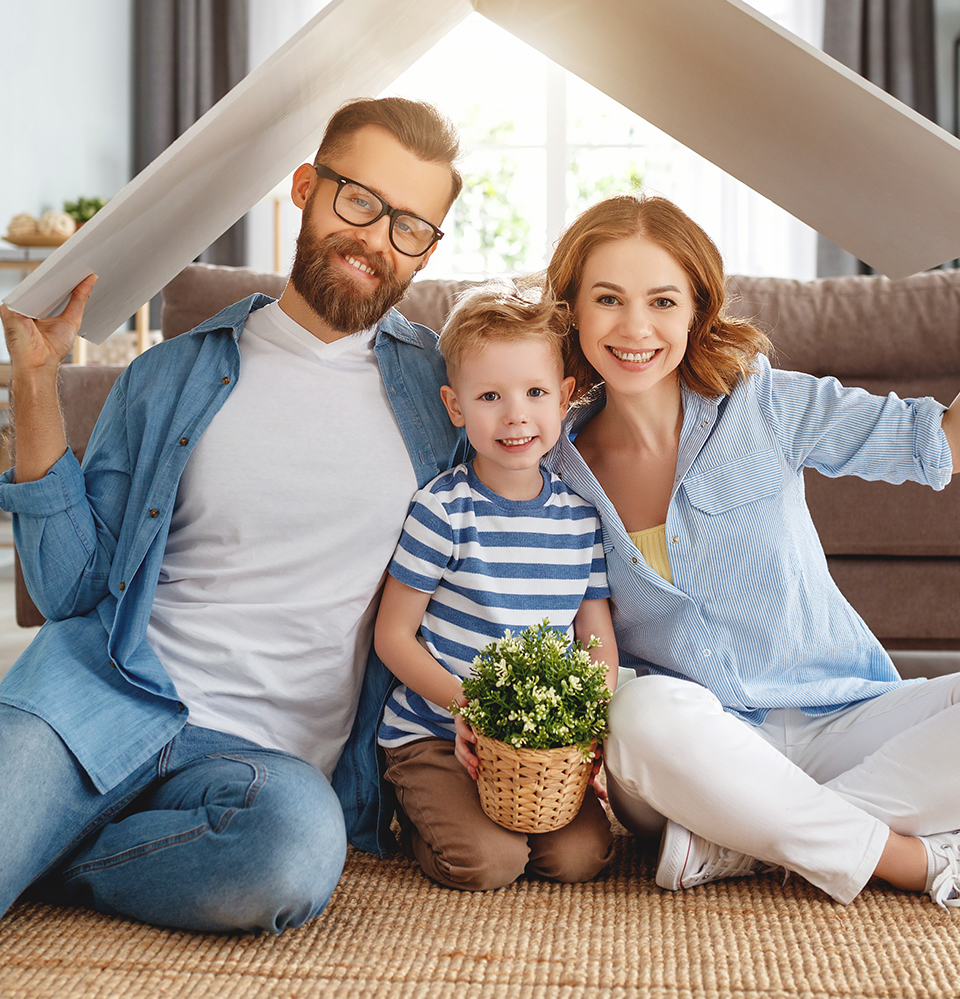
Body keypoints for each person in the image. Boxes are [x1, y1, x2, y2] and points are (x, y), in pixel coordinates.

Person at [0, 96, 470, 933]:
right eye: (360, 200)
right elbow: (69, 586)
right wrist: (36, 384)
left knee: (292, 857)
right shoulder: (172, 375)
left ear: (427, 249)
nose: (376, 239)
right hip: (96, 701)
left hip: (261, 767)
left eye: (409, 226)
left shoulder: (444, 394)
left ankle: (59, 856)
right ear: (306, 187)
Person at [520, 191, 960, 909]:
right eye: (608, 299)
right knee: (636, 713)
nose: (635, 327)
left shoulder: (764, 403)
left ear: (698, 310)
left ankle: (744, 844)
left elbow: (940, 440)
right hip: (696, 752)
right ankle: (905, 858)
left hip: (843, 717)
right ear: (572, 310)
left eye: (663, 301)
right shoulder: (548, 467)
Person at [373, 280, 619, 891]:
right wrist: (468, 707)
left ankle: (502, 823)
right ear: (455, 407)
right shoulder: (442, 510)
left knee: (581, 858)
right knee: (489, 863)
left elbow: (596, 635)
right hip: (437, 733)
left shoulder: (581, 519)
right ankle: (416, 809)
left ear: (564, 397)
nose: (515, 415)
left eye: (535, 392)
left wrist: (588, 723)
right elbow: (393, 636)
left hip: (536, 748)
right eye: (489, 396)